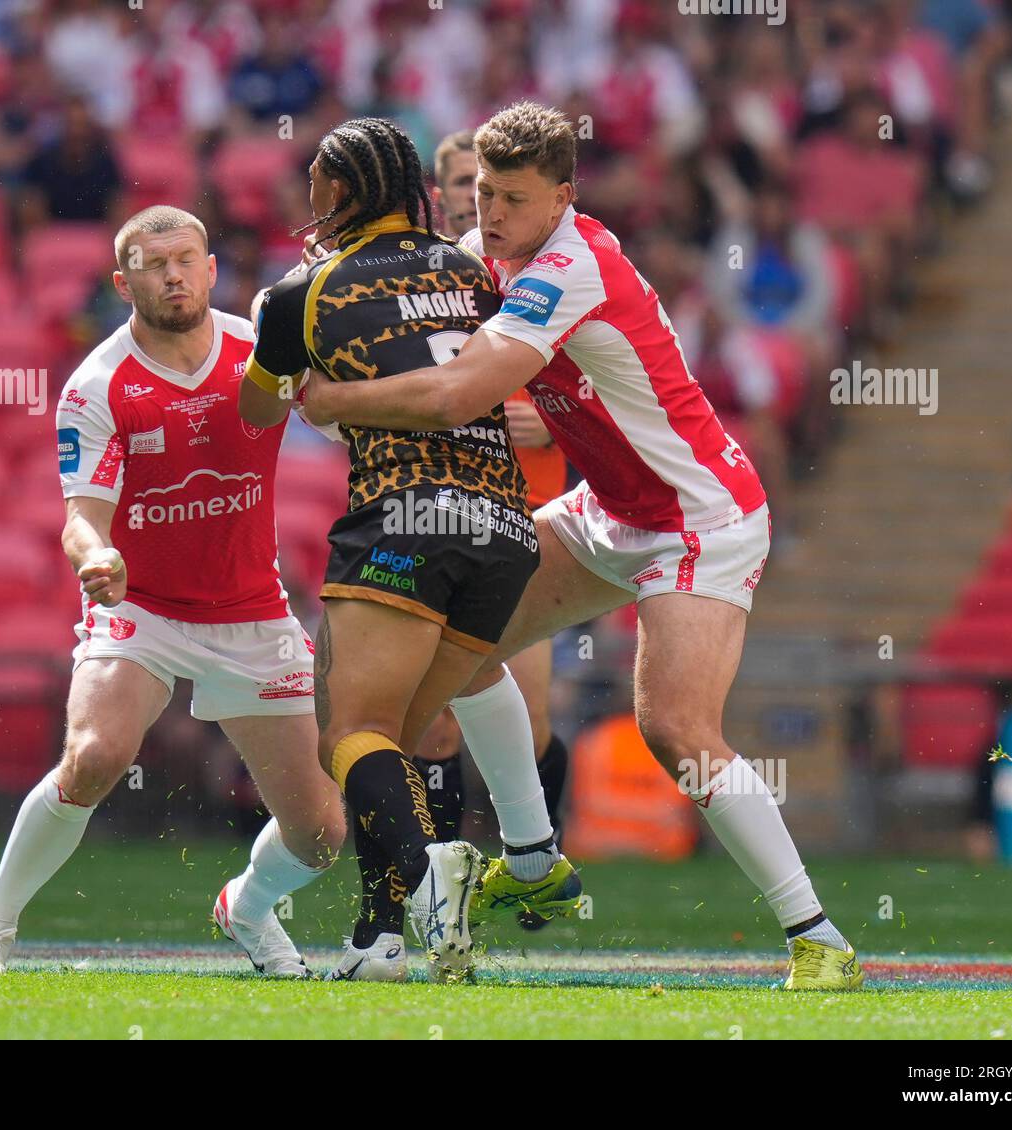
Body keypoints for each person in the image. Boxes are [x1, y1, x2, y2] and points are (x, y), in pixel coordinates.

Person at [303, 102, 863, 991]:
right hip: (609, 508)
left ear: (563, 195)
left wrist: (333, 401)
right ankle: (533, 863)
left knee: (676, 728)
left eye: (514, 198)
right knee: (467, 634)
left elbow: (456, 396)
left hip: (698, 514)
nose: (491, 214)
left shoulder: (570, 266)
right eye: (483, 192)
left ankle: (819, 938)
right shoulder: (504, 256)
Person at [0, 205, 345, 978]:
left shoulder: (262, 349)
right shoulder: (96, 384)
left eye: (185, 259)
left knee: (321, 835)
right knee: (95, 756)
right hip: (144, 609)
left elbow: (337, 416)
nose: (172, 274)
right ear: (121, 280)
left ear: (210, 269)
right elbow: (79, 521)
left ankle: (249, 906)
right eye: (153, 263)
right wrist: (97, 558)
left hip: (253, 610)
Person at [240, 117, 579, 983]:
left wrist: (279, 354)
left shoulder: (299, 292)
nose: (305, 192)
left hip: (402, 517)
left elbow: (259, 409)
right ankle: (378, 940)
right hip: (506, 532)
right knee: (391, 747)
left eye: (316, 176)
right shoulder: (474, 271)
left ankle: (434, 883)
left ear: (343, 190)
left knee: (350, 734)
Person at [422, 129, 572, 931]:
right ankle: (440, 899)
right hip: (450, 512)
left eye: (480, 186)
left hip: (533, 517)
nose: (468, 199)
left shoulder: (549, 274)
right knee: (441, 710)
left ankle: (536, 860)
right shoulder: (438, 281)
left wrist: (550, 418)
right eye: (459, 184)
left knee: (532, 718)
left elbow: (595, 386)